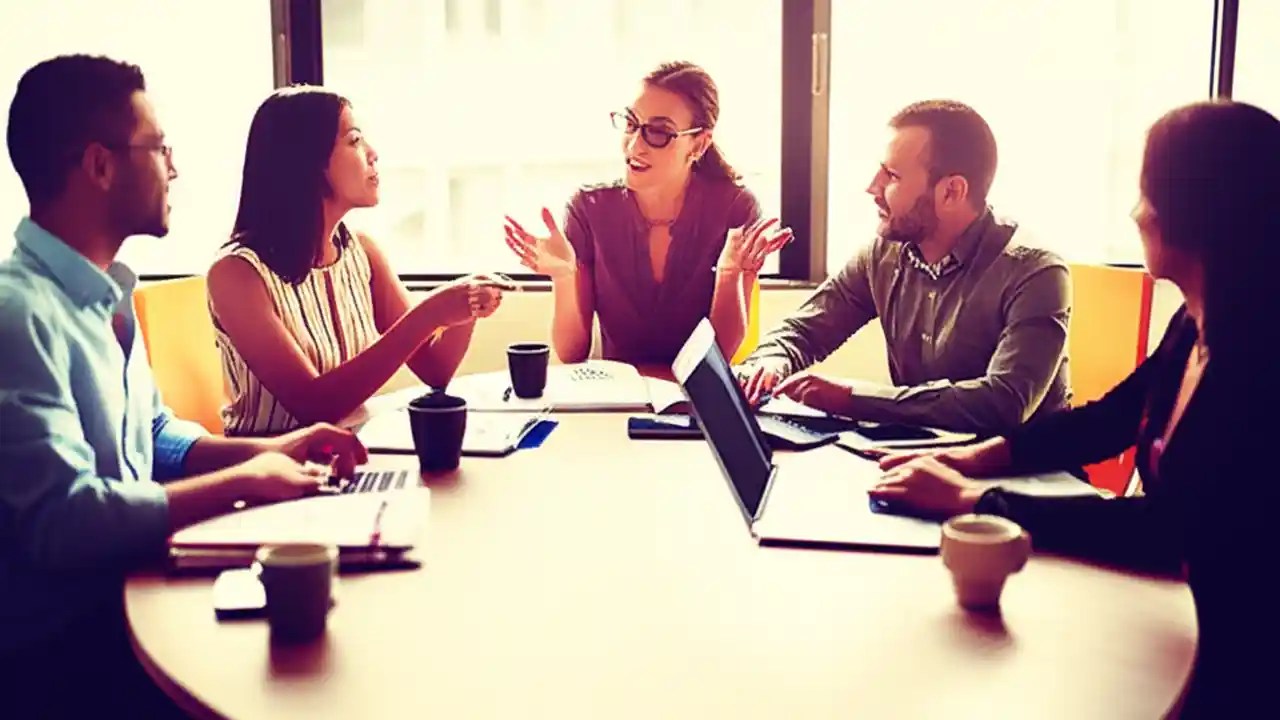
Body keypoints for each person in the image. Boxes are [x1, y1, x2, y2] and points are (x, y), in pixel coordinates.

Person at [871, 100, 1280, 717]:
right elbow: (1111, 417)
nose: (1136, 213)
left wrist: (974, 503)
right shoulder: (1197, 321)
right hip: (1178, 612)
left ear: (1198, 212)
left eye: (1148, 193)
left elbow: (1168, 528)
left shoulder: (1259, 363)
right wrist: (975, 458)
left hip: (1237, 659)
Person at [0, 55, 367, 717]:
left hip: (137, 600)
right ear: (100, 164)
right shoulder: (17, 317)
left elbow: (157, 438)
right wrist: (243, 484)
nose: (174, 167)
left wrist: (276, 450)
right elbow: (63, 523)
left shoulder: (106, 294)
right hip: (70, 657)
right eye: (159, 146)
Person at [738, 100, 1071, 436]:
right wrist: (768, 364)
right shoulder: (884, 254)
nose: (872, 187)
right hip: (925, 459)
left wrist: (852, 399)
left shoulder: (1035, 273)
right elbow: (805, 330)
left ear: (952, 191)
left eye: (892, 176)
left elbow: (1003, 404)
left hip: (1025, 477)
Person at [208, 85, 513, 436]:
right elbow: (313, 406)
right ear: (307, 161)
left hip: (349, 457)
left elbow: (435, 369)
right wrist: (430, 313)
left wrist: (466, 304)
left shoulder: (360, 252)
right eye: (354, 141)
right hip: (272, 471)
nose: (373, 154)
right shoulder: (236, 273)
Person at [503, 60, 791, 366]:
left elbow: (721, 358)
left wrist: (730, 274)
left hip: (695, 402)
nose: (635, 145)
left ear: (698, 144)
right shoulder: (589, 209)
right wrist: (563, 276)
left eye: (659, 132)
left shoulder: (736, 208)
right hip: (620, 400)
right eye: (630, 124)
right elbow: (573, 354)